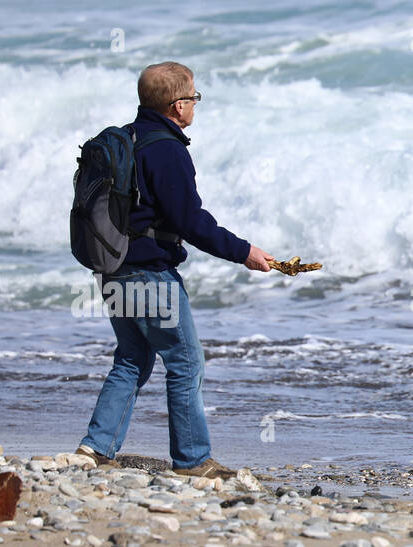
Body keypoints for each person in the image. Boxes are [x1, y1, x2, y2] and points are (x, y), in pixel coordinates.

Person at [77, 61, 273, 479]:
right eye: (194, 98)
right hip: (150, 274)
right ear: (178, 105)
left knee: (131, 359)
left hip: (112, 268)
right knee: (186, 362)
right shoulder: (166, 149)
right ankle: (193, 460)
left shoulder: (128, 138)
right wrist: (244, 252)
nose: (195, 106)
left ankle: (95, 449)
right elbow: (190, 220)